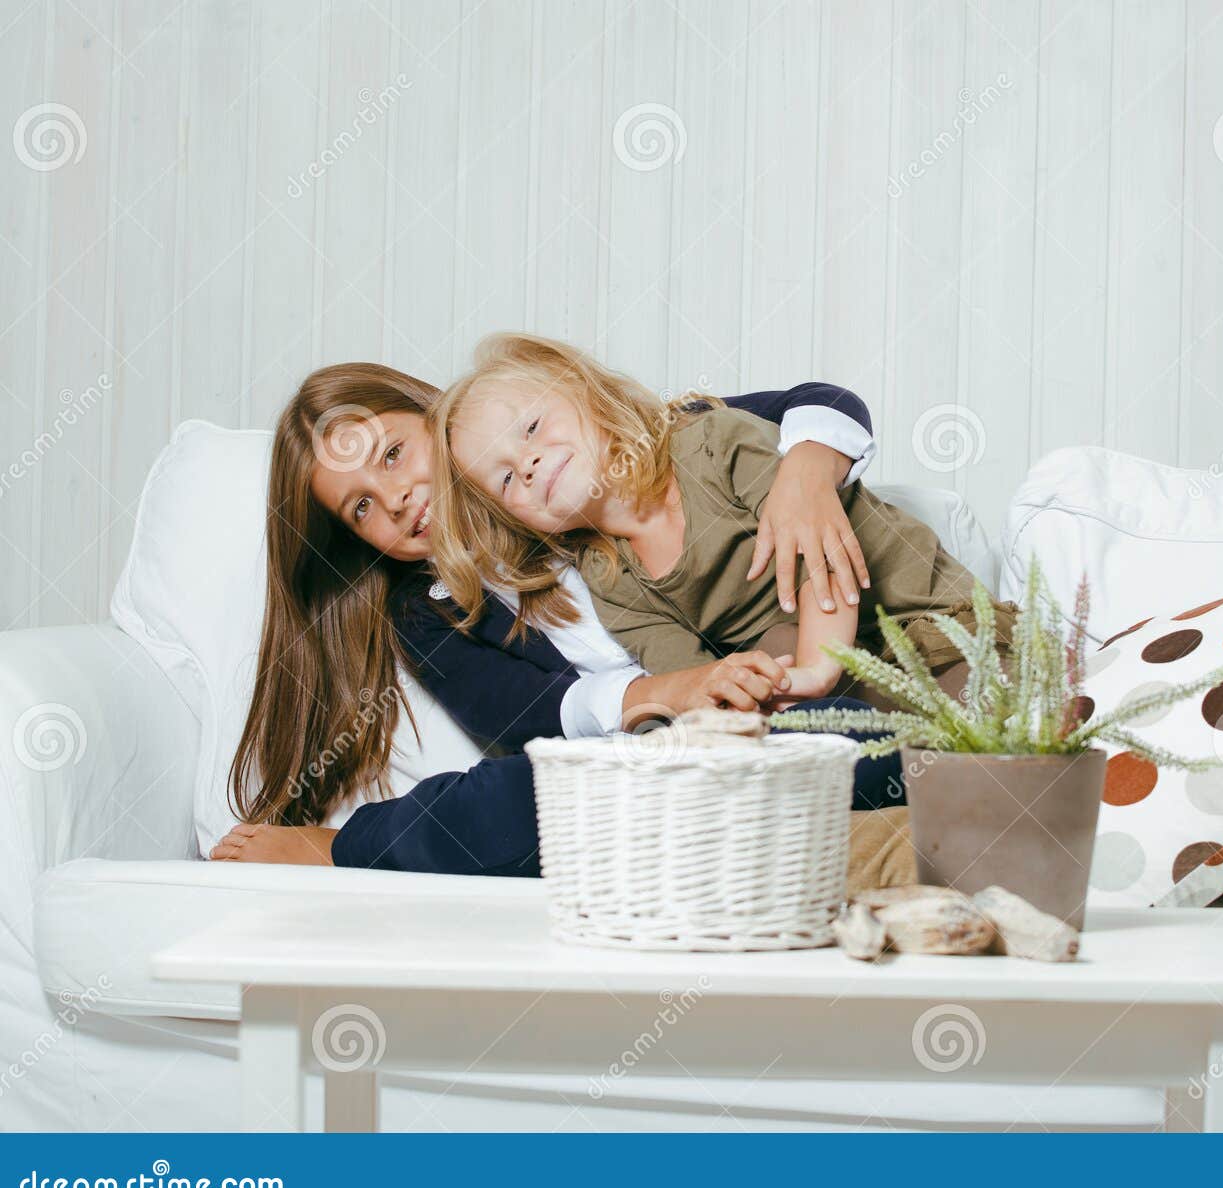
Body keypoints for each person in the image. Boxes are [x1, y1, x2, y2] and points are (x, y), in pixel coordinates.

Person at [212, 361, 897, 873]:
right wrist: (667, 693)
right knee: (507, 799)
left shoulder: (576, 452)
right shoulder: (426, 612)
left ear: (437, 417)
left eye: (394, 454)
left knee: (846, 738)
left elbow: (819, 403)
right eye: (360, 507)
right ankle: (344, 847)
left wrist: (806, 473)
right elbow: (526, 712)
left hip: (766, 712)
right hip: (629, 759)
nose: (394, 498)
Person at [430, 334, 1014, 715]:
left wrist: (814, 671)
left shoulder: (711, 443)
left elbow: (823, 563)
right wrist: (751, 694)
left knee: (978, 700)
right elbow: (692, 674)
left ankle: (1025, 723)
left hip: (924, 621)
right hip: (834, 676)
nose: (526, 464)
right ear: (518, 520)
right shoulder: (609, 577)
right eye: (503, 478)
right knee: (778, 681)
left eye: (531, 428)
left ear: (589, 397)